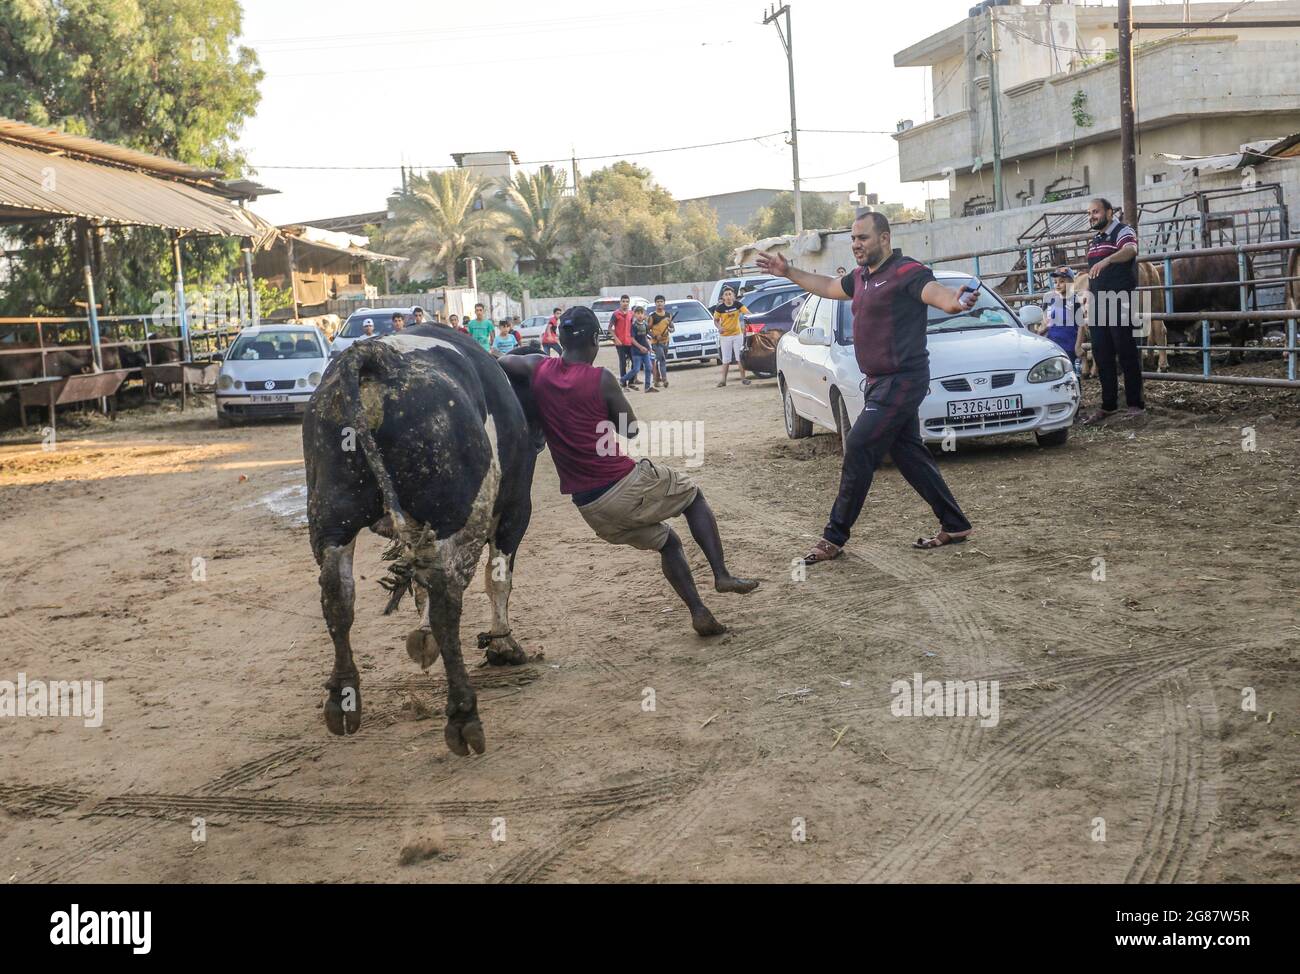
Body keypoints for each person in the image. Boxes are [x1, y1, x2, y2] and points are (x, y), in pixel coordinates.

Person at [497, 307, 758, 636]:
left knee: (669, 542)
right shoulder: (600, 379)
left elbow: (504, 362)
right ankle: (721, 574)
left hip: (591, 509)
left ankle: (700, 612)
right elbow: (630, 431)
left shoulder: (538, 369)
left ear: (559, 340)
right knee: (692, 495)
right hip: (621, 484)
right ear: (596, 340)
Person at [756, 211, 977, 563]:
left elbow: (936, 294)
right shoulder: (860, 278)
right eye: (854, 239)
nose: (857, 245)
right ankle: (955, 523)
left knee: (858, 445)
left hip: (902, 380)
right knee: (908, 453)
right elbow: (827, 286)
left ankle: (834, 536)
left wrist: (956, 301)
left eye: (864, 238)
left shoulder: (907, 272)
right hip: (877, 383)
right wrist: (788, 271)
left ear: (884, 238)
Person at [1081, 197, 1143, 423]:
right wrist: (1088, 295)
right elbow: (1092, 272)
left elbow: (1130, 250)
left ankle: (1135, 404)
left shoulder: (1122, 231)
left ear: (1109, 212)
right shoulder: (1096, 239)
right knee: (1101, 352)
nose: (1092, 216)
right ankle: (1108, 405)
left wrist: (1107, 261)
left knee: (1126, 351)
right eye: (1089, 213)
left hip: (1121, 299)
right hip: (1098, 302)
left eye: (1096, 212)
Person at [711, 285, 750, 387]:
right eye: (726, 294)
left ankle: (743, 378)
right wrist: (719, 327)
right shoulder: (720, 308)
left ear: (733, 296)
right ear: (723, 297)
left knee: (739, 358)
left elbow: (748, 313)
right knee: (726, 359)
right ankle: (723, 380)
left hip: (737, 334)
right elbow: (715, 320)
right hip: (725, 336)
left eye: (730, 294)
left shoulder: (738, 305)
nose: (728, 296)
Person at [1044, 267, 1081, 371]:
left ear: (1071, 283)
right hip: (1053, 344)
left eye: (1062, 281)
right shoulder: (1052, 301)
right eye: (1055, 282)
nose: (1057, 285)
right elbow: (1049, 322)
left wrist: (1078, 346)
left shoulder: (1074, 301)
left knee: (1068, 372)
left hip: (1068, 345)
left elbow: (1081, 326)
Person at [619, 304, 656, 393]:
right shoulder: (634, 326)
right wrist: (640, 347)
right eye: (638, 313)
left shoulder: (645, 325)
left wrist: (649, 348)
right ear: (634, 314)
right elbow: (632, 339)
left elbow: (646, 337)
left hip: (645, 351)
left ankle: (647, 387)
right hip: (636, 352)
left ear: (644, 315)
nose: (640, 315)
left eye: (641, 313)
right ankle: (622, 380)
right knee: (636, 369)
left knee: (649, 367)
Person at [648, 295, 674, 388]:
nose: (659, 303)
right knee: (662, 359)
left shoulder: (668, 315)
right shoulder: (652, 316)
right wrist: (655, 336)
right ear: (655, 303)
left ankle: (656, 379)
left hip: (666, 342)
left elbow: (672, 327)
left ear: (664, 303)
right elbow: (647, 330)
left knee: (661, 360)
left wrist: (671, 329)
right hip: (656, 343)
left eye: (661, 301)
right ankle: (665, 379)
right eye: (658, 302)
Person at [609, 295, 635, 386]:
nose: (625, 303)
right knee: (623, 362)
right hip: (620, 343)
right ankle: (623, 383)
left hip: (630, 342)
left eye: (627, 301)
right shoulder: (616, 314)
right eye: (623, 301)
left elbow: (633, 327)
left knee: (635, 362)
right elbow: (610, 328)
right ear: (620, 302)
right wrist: (616, 339)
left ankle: (631, 381)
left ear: (629, 303)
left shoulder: (631, 313)